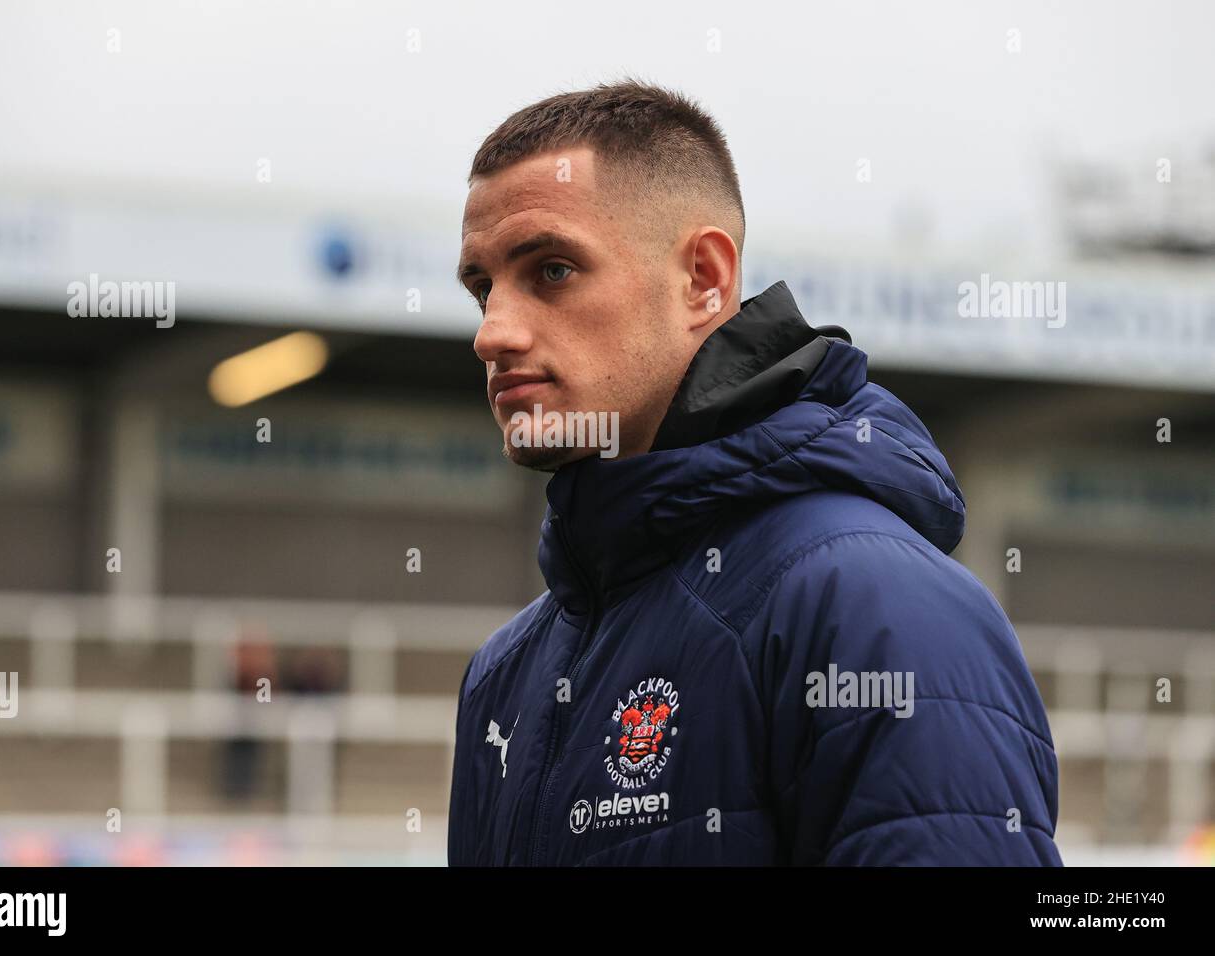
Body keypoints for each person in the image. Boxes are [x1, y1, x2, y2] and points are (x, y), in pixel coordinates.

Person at [447, 79, 1061, 866]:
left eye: (553, 271)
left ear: (705, 278)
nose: (492, 332)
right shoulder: (504, 673)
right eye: (481, 288)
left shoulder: (875, 608)